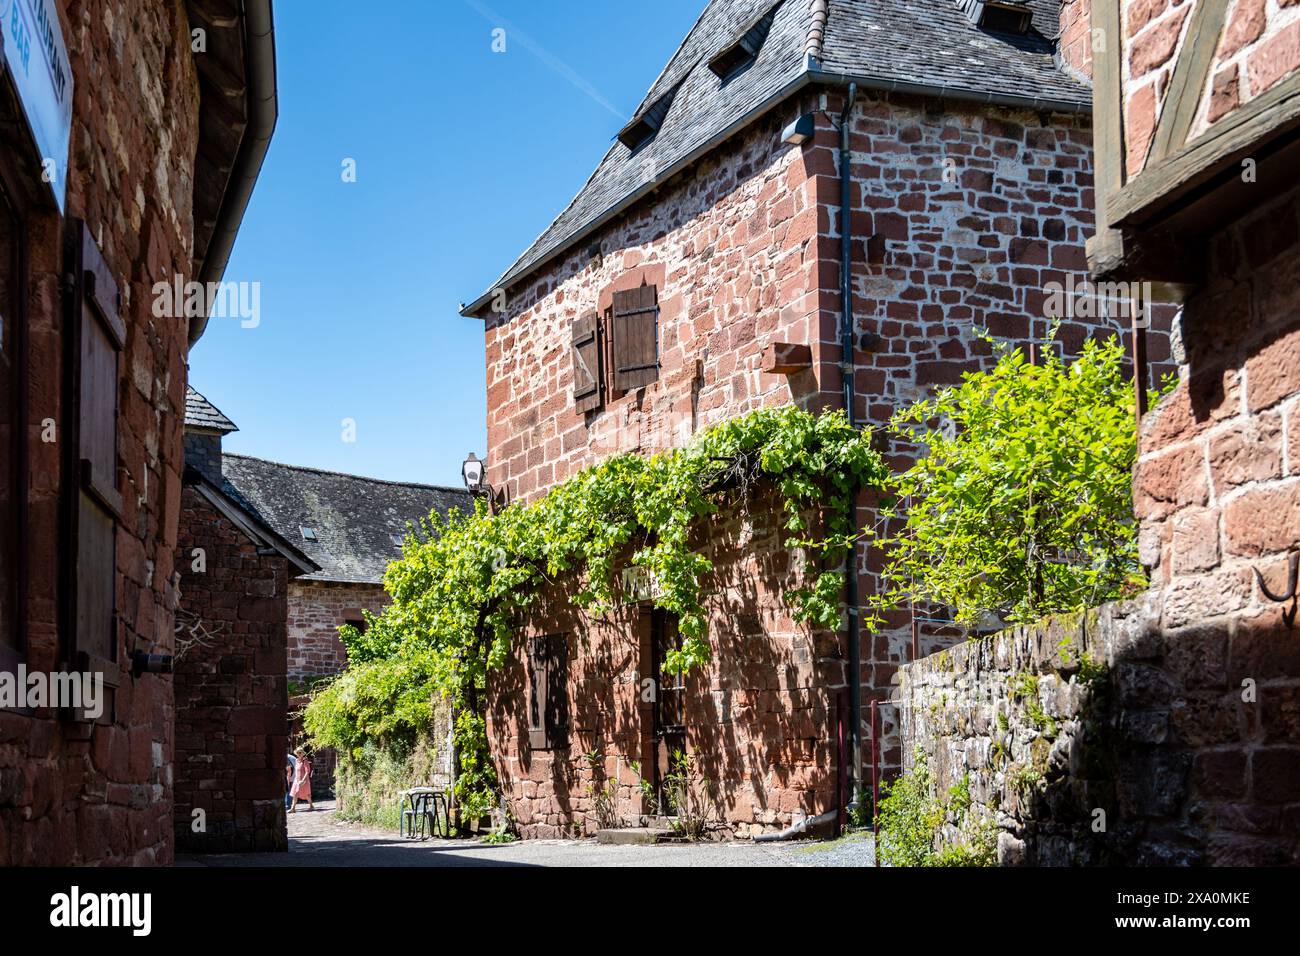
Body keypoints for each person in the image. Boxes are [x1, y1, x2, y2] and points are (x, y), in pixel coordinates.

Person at [289, 747, 314, 812]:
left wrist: (303, 780)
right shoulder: (296, 761)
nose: (298, 754)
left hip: (304, 780)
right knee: (295, 794)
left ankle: (311, 805)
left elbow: (307, 771)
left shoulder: (305, 761)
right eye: (297, 753)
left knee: (307, 794)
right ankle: (293, 808)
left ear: (303, 753)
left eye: (300, 752)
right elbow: (296, 771)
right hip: (297, 780)